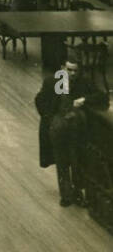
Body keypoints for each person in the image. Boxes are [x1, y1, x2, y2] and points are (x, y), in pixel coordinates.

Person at [37, 59, 109, 206]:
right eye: (69, 70)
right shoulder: (53, 81)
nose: (72, 73)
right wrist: (48, 118)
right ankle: (67, 195)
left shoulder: (83, 82)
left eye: (75, 70)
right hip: (58, 127)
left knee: (76, 160)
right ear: (63, 68)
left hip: (76, 129)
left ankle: (76, 193)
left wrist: (84, 99)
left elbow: (103, 96)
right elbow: (39, 100)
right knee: (62, 160)